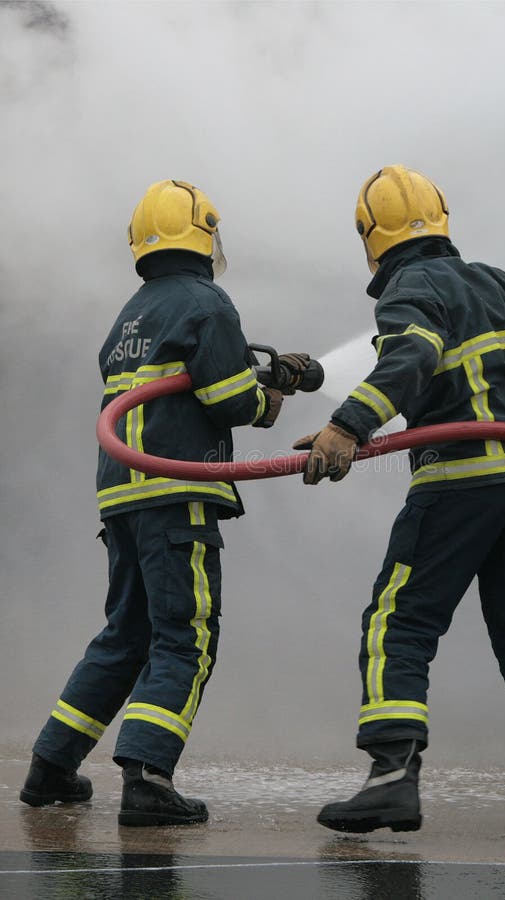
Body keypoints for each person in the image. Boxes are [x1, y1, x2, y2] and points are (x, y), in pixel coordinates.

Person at [294, 165, 505, 838]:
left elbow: (411, 356)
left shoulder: (408, 289)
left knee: (398, 620)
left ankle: (391, 780)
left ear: (369, 236)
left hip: (460, 480)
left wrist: (347, 425)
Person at [20, 179, 301, 826]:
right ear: (204, 234)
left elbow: (173, 386)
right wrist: (269, 400)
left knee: (127, 634)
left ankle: (52, 767)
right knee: (188, 635)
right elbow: (231, 400)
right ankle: (148, 776)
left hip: (122, 498)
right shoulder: (207, 304)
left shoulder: (130, 315)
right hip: (179, 493)